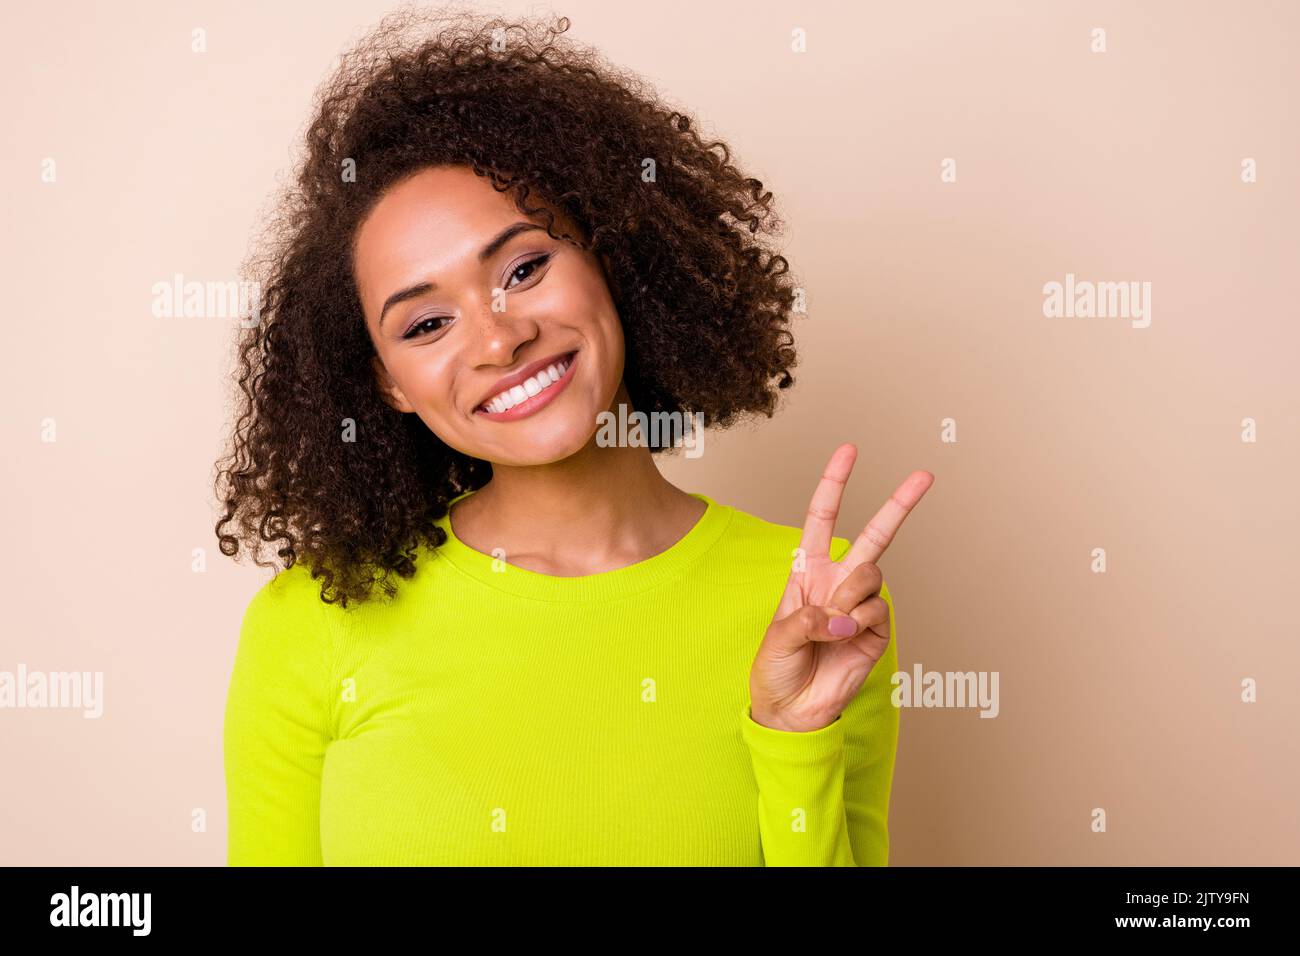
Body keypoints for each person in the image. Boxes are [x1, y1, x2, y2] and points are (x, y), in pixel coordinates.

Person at [215, 10, 932, 866]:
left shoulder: (814, 603)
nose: (497, 339)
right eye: (427, 323)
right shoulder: (312, 628)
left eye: (524, 269)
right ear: (387, 387)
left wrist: (795, 736)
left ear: (609, 256)